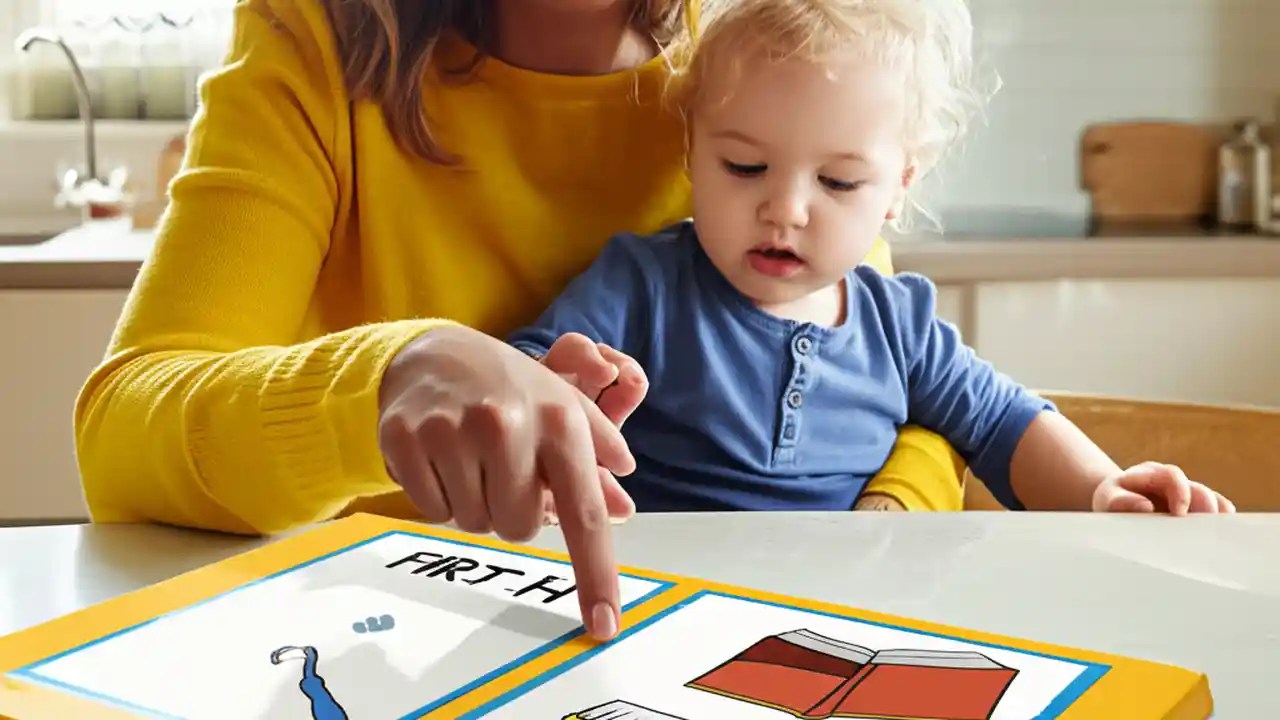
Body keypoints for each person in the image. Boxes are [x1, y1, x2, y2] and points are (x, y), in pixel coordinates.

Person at [72, 0, 965, 643]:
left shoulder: (757, 49)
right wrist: (386, 377)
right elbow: (123, 434)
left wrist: (879, 519)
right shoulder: (316, 37)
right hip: (379, 637)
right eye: (736, 167)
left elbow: (896, 384)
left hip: (678, 640)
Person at [504, 0, 1239, 519]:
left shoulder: (900, 324)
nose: (786, 209)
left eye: (838, 182)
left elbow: (1005, 424)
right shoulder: (643, 283)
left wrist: (1101, 491)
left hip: (845, 615)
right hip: (659, 602)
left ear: (896, 191)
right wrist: (542, 396)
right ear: (692, 151)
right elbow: (520, 375)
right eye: (744, 167)